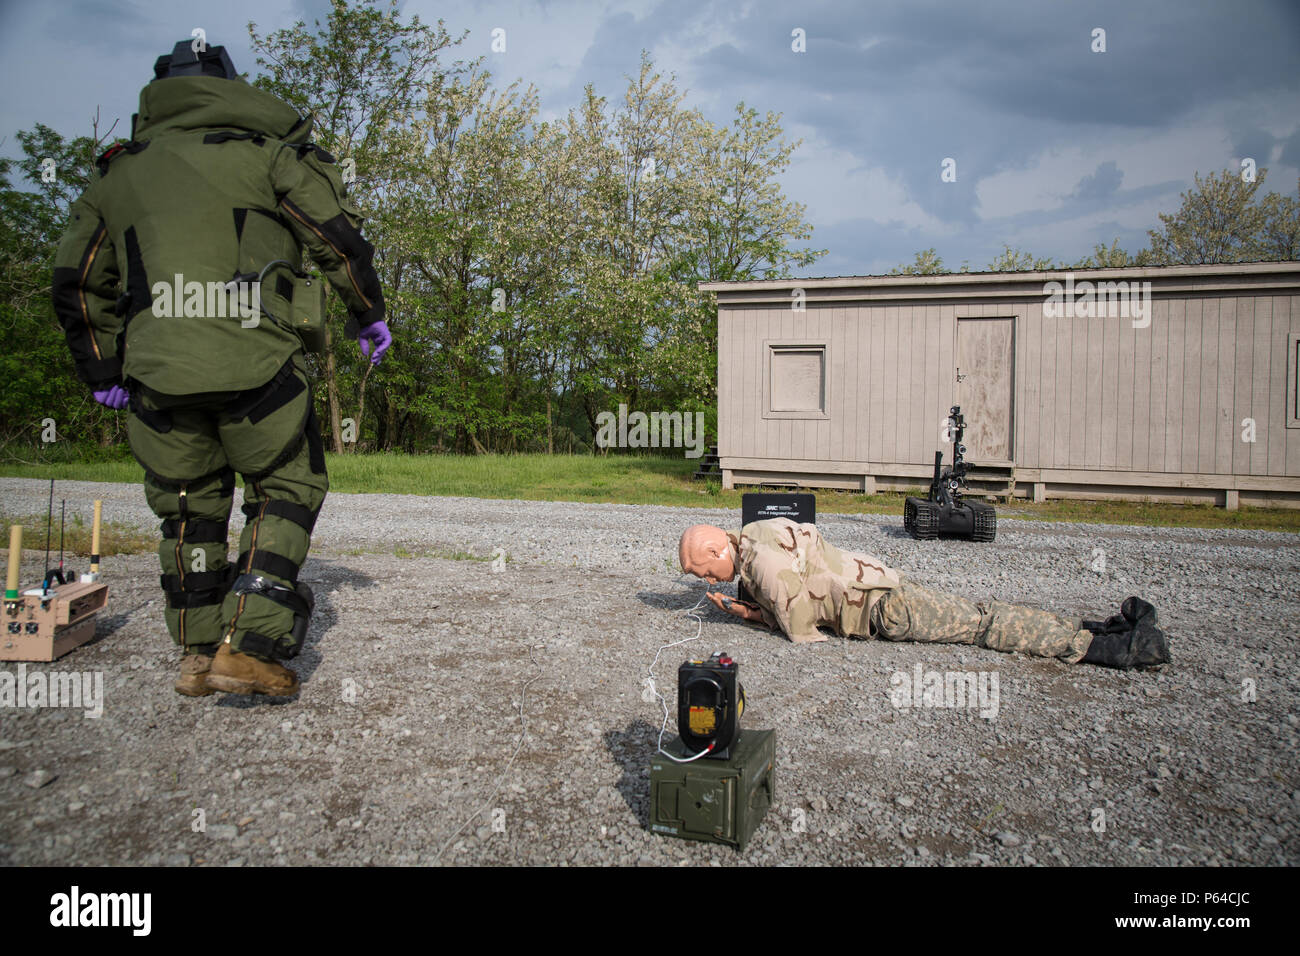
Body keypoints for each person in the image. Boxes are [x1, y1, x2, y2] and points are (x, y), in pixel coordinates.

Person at [52, 40, 392, 697]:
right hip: (256, 363)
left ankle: (197, 655)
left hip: (154, 373)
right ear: (233, 88)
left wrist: (102, 369)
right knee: (286, 489)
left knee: (187, 507)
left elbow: (75, 280)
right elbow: (337, 241)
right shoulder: (270, 155)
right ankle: (249, 644)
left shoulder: (117, 175)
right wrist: (365, 313)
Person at [678, 518, 1170, 669]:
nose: (707, 582)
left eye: (704, 571)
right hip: (883, 586)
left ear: (719, 549)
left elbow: (799, 623)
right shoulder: (757, 531)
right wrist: (750, 606)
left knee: (981, 625)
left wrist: (754, 616)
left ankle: (1106, 647)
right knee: (979, 614)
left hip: (883, 611)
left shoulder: (759, 565)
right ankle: (1094, 628)